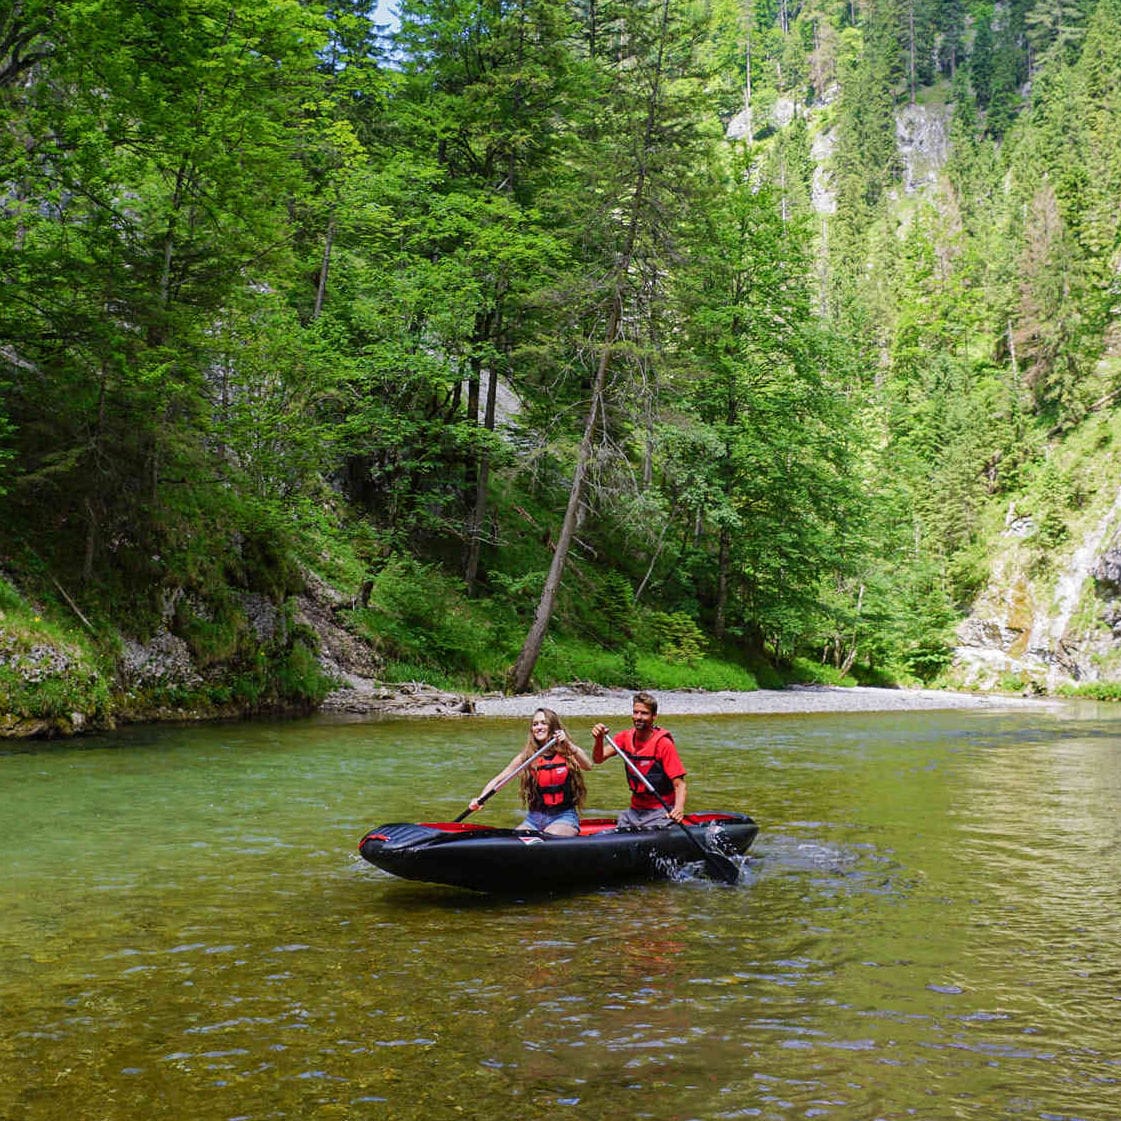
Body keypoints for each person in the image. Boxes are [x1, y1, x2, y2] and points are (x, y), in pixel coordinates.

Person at [469, 708, 593, 836]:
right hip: (534, 819)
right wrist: (480, 799)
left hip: (563, 817)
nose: (538, 727)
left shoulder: (567, 752)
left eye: (543, 723)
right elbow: (500, 780)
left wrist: (568, 744)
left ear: (553, 727)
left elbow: (588, 765)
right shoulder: (527, 757)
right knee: (516, 841)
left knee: (547, 838)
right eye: (535, 724)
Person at [592, 691, 687, 829]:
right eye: (635, 712)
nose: (638, 717)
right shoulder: (624, 738)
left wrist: (678, 809)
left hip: (660, 810)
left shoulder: (663, 744)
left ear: (654, 716)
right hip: (635, 810)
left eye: (644, 713)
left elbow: (680, 784)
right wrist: (599, 739)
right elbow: (598, 758)